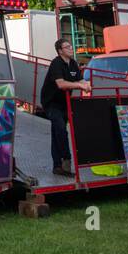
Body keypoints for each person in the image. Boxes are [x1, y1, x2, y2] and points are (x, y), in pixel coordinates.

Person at [39, 39, 90, 177]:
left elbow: (79, 79)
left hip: (64, 103)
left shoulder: (73, 63)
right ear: (60, 51)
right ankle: (66, 160)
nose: (71, 48)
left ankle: (58, 166)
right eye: (67, 47)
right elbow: (61, 84)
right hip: (51, 102)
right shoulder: (56, 63)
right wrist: (79, 86)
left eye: (71, 46)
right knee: (61, 128)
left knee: (57, 130)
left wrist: (85, 84)